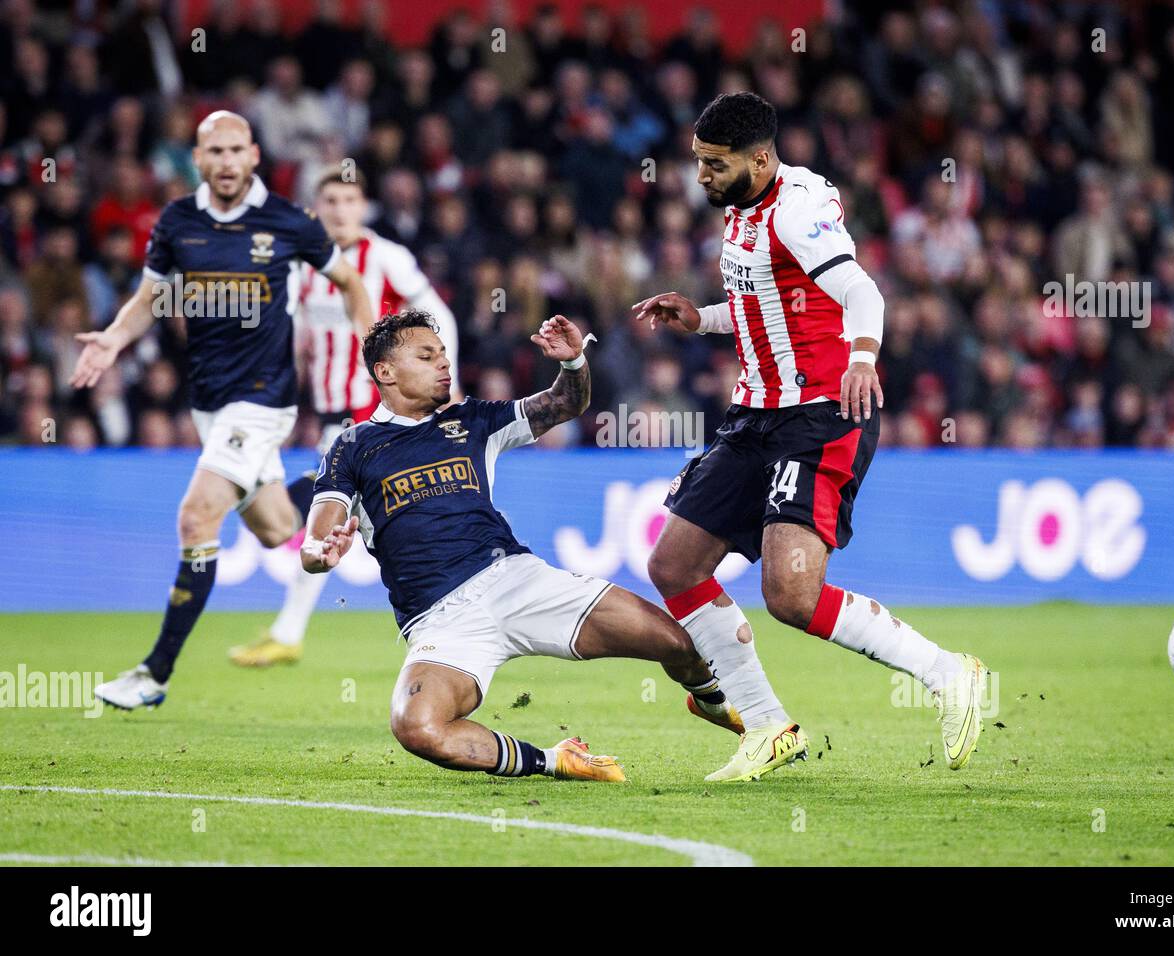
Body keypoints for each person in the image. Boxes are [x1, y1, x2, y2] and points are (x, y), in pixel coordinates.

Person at [633, 92, 986, 782]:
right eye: (698, 162)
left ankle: (948, 673)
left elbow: (864, 295)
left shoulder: (798, 211)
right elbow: (769, 310)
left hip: (821, 414)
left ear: (759, 158)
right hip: (754, 416)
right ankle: (767, 727)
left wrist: (861, 357)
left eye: (714, 164)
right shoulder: (742, 210)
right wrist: (700, 319)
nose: (700, 176)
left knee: (791, 595)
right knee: (674, 567)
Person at [301, 309, 743, 781]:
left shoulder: (471, 420)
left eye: (444, 354)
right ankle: (558, 760)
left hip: (516, 581)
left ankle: (716, 705)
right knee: (417, 727)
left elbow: (563, 404)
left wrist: (573, 363)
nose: (444, 365)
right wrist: (320, 552)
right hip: (441, 622)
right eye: (427, 356)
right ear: (385, 372)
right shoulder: (353, 446)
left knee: (677, 643)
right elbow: (314, 540)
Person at [76, 111, 375, 709]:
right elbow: (150, 297)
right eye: (216, 151)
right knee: (276, 529)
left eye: (238, 149)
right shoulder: (178, 222)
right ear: (199, 157)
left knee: (196, 518)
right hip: (211, 403)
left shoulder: (288, 222)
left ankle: (153, 674)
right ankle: (345, 489)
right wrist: (113, 337)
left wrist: (374, 351)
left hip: (264, 399)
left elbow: (351, 282)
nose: (228, 161)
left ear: (255, 154)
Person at [229, 165, 461, 667]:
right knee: (368, 522)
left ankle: (290, 630)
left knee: (327, 513)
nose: (340, 211)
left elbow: (438, 314)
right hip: (334, 413)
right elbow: (299, 343)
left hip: (374, 412)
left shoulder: (385, 256)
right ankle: (449, 616)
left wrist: (448, 376)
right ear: (317, 209)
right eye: (330, 201)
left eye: (349, 201)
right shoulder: (304, 268)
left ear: (363, 207)